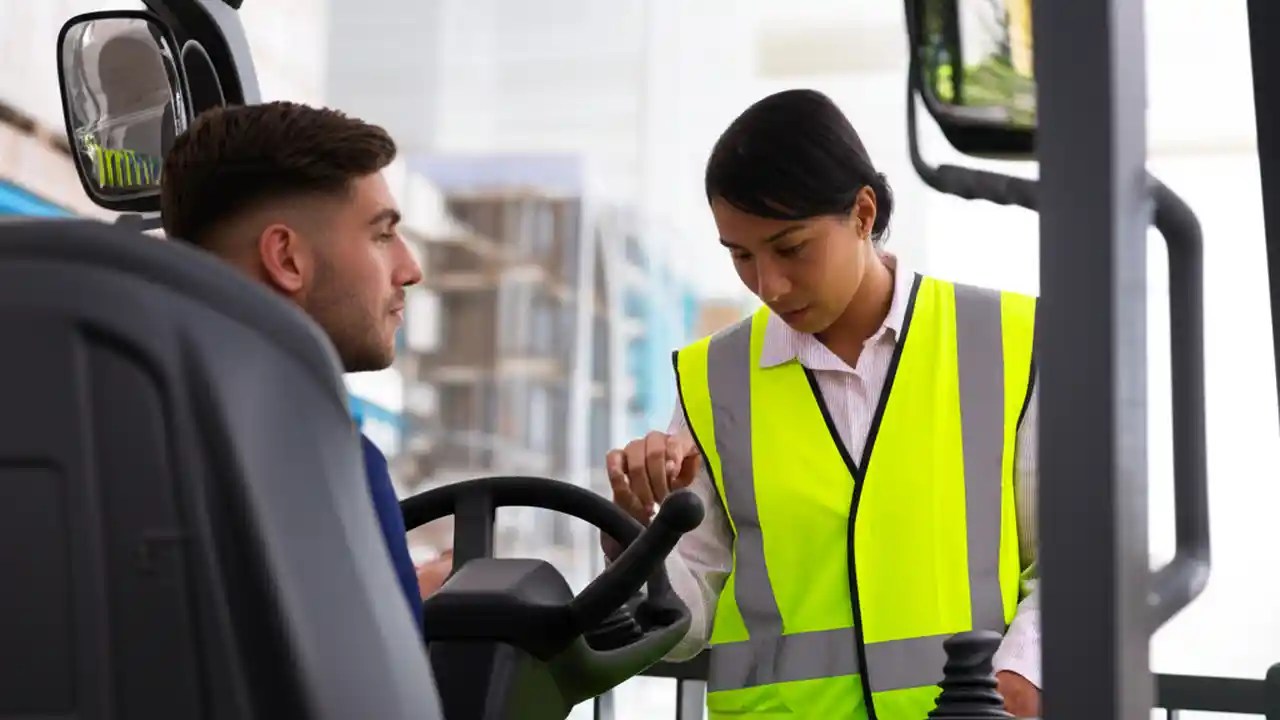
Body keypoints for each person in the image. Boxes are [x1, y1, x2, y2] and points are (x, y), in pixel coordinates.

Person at [602, 89, 1042, 719]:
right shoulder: (714, 379)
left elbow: (1071, 562)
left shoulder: (1007, 343)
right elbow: (684, 619)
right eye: (741, 256)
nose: (768, 284)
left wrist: (1021, 677)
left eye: (791, 248)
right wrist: (637, 539)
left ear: (863, 213)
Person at [159, 101, 453, 632]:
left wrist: (403, 592)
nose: (409, 270)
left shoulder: (105, 432)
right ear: (287, 258)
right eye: (382, 235)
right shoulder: (333, 465)